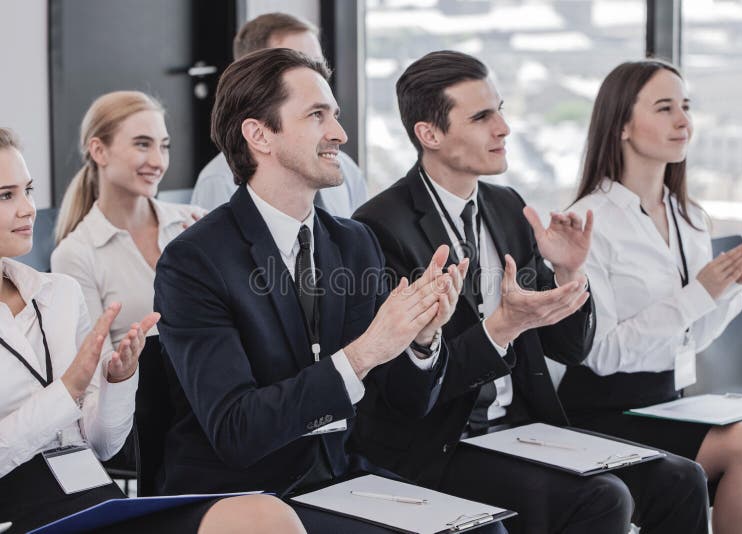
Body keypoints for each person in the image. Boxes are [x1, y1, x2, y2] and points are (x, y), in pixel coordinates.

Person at [352, 50, 710, 534]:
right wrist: (500, 329)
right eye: (482, 116)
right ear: (429, 134)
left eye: (500, 109)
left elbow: (570, 348)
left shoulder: (506, 206)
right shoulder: (379, 226)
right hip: (439, 440)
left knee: (682, 478)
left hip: (521, 429)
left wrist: (566, 274)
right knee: (602, 499)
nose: (504, 128)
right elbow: (405, 391)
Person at [153, 48, 502, 534]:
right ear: (259, 135)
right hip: (244, 492)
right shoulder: (193, 261)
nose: (339, 133)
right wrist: (363, 353)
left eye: (334, 115)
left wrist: (421, 339)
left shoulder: (353, 241)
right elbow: (237, 430)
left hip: (339, 476)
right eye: (317, 115)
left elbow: (406, 403)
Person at [0, 128, 305, 533]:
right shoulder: (75, 260)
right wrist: (69, 389)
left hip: (97, 498)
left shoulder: (58, 294)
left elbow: (104, 444)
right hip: (19, 512)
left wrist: (118, 379)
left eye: (29, 190)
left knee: (267, 516)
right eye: (6, 195)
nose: (28, 208)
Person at [557, 60, 742, 534]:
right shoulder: (587, 223)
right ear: (622, 125)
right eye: (665, 108)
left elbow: (689, 339)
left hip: (667, 399)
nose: (684, 121)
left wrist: (730, 288)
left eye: (686, 107)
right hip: (603, 409)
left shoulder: (687, 215)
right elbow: (601, 353)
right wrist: (700, 292)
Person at [51, 91, 204, 363]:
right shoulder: (75, 255)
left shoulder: (194, 223)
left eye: (164, 146)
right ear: (99, 150)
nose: (159, 162)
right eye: (143, 145)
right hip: (142, 401)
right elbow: (98, 373)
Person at [191, 12, 367, 216]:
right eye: (292, 61)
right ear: (252, 73)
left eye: (317, 63)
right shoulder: (219, 181)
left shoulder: (345, 170)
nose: (312, 73)